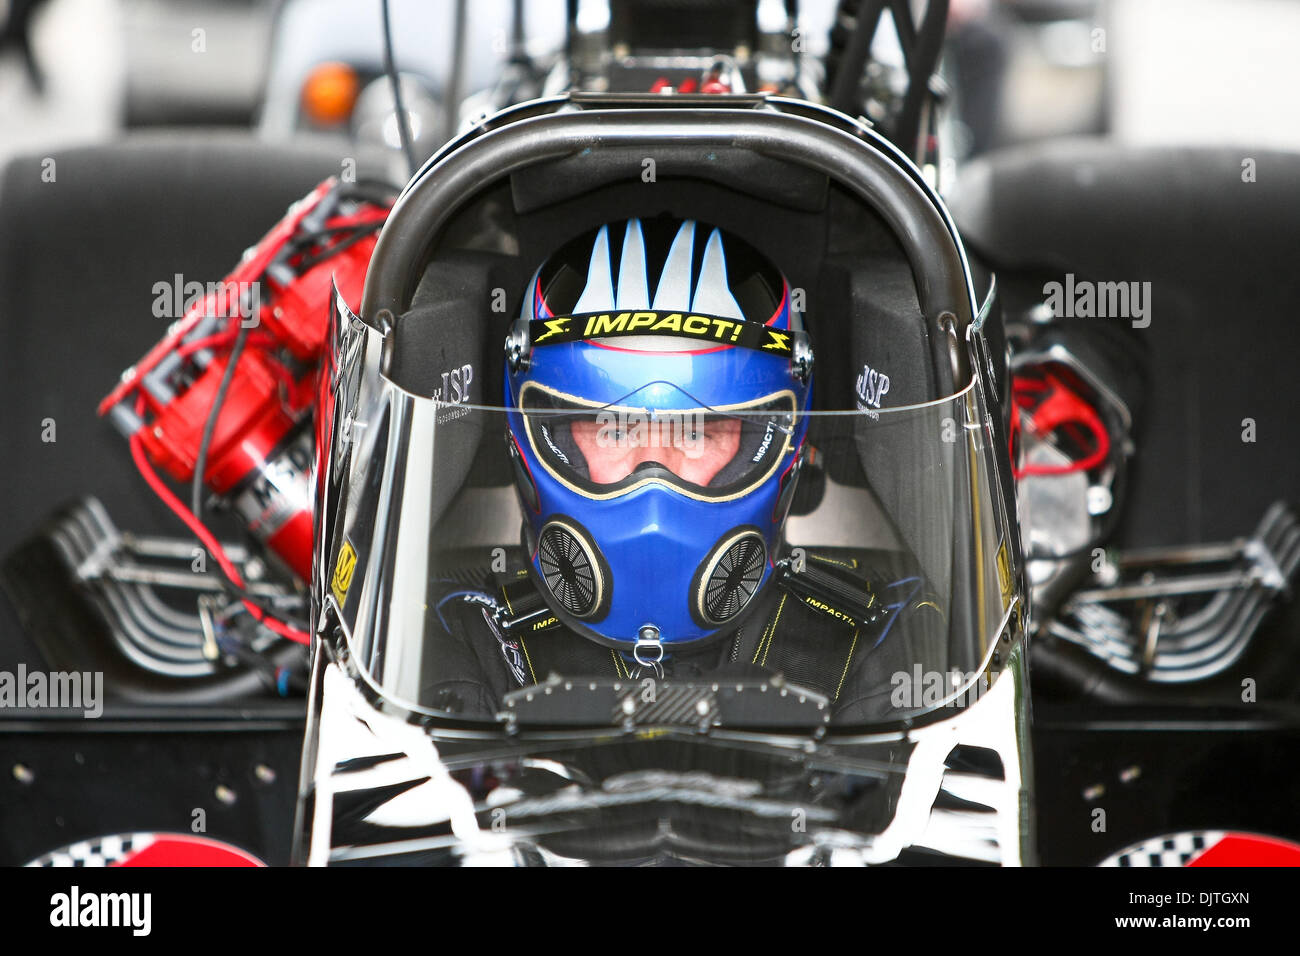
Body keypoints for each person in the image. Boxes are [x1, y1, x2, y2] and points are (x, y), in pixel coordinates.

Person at [427, 217, 943, 722]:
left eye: (696, 432)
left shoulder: (883, 644)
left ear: (774, 442)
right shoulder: (458, 641)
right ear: (537, 433)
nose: (655, 476)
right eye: (614, 428)